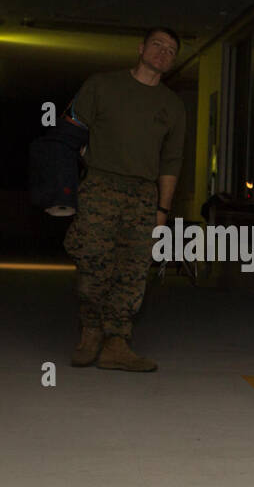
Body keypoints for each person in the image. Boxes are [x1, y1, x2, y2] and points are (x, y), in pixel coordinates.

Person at [63, 26, 186, 372]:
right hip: (100, 186)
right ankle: (90, 333)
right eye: (157, 45)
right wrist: (62, 188)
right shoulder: (101, 86)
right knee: (92, 263)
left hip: (144, 195)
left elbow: (171, 161)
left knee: (133, 269)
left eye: (171, 51)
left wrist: (163, 208)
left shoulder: (172, 106)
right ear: (140, 48)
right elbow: (68, 134)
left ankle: (117, 342)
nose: (163, 53)